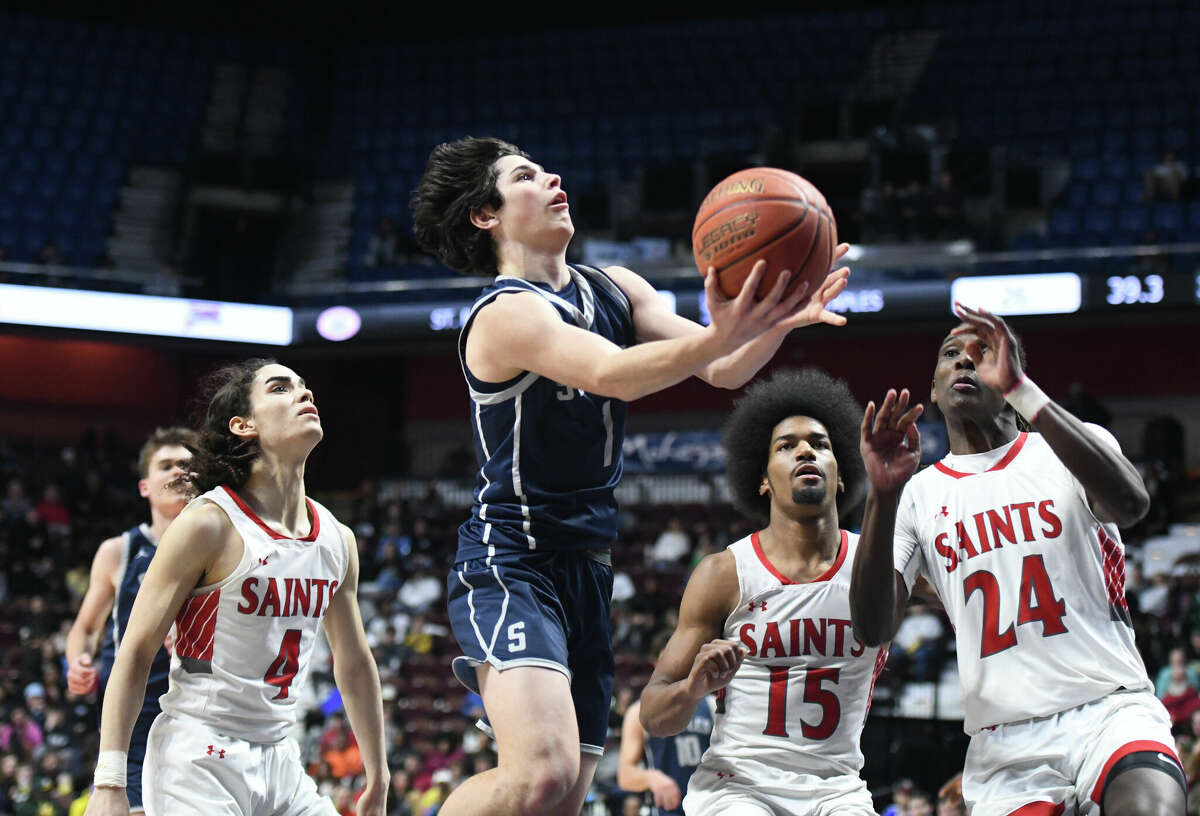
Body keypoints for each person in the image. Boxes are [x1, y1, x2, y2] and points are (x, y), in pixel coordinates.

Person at [410, 136, 852, 816]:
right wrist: (725, 330)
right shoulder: (505, 314)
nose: (554, 174)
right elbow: (613, 374)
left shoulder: (617, 287)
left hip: (588, 566)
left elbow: (721, 368)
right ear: (484, 216)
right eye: (526, 174)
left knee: (564, 797)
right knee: (539, 776)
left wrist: (776, 322)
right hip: (511, 560)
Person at [850, 303, 1186, 815]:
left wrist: (1027, 392)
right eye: (950, 355)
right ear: (934, 392)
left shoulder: (1070, 447)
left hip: (1109, 707)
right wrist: (880, 494)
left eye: (981, 354)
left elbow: (1132, 504)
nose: (965, 362)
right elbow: (873, 628)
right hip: (1006, 744)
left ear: (1010, 377)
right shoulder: (917, 495)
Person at [84, 359, 387, 816]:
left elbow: (354, 662)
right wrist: (109, 781)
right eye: (281, 388)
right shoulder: (209, 523)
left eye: (305, 387)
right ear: (243, 425)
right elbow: (136, 651)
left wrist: (378, 774)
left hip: (282, 756)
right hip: (199, 753)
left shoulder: (336, 538)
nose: (304, 394)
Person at [639, 369, 881, 815]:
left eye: (820, 444)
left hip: (837, 789)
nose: (805, 450)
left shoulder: (879, 564)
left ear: (842, 475)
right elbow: (653, 715)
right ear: (763, 479)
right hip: (738, 787)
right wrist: (693, 688)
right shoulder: (724, 574)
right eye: (786, 446)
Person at [65, 427, 198, 814]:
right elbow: (87, 629)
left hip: (198, 712)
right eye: (167, 465)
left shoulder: (223, 545)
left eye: (187, 464)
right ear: (144, 486)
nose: (178, 472)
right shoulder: (119, 551)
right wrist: (77, 660)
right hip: (135, 719)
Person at [617, 692, 713, 815]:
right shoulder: (639, 711)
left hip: (710, 804)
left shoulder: (713, 705)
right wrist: (651, 778)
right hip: (668, 808)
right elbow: (625, 775)